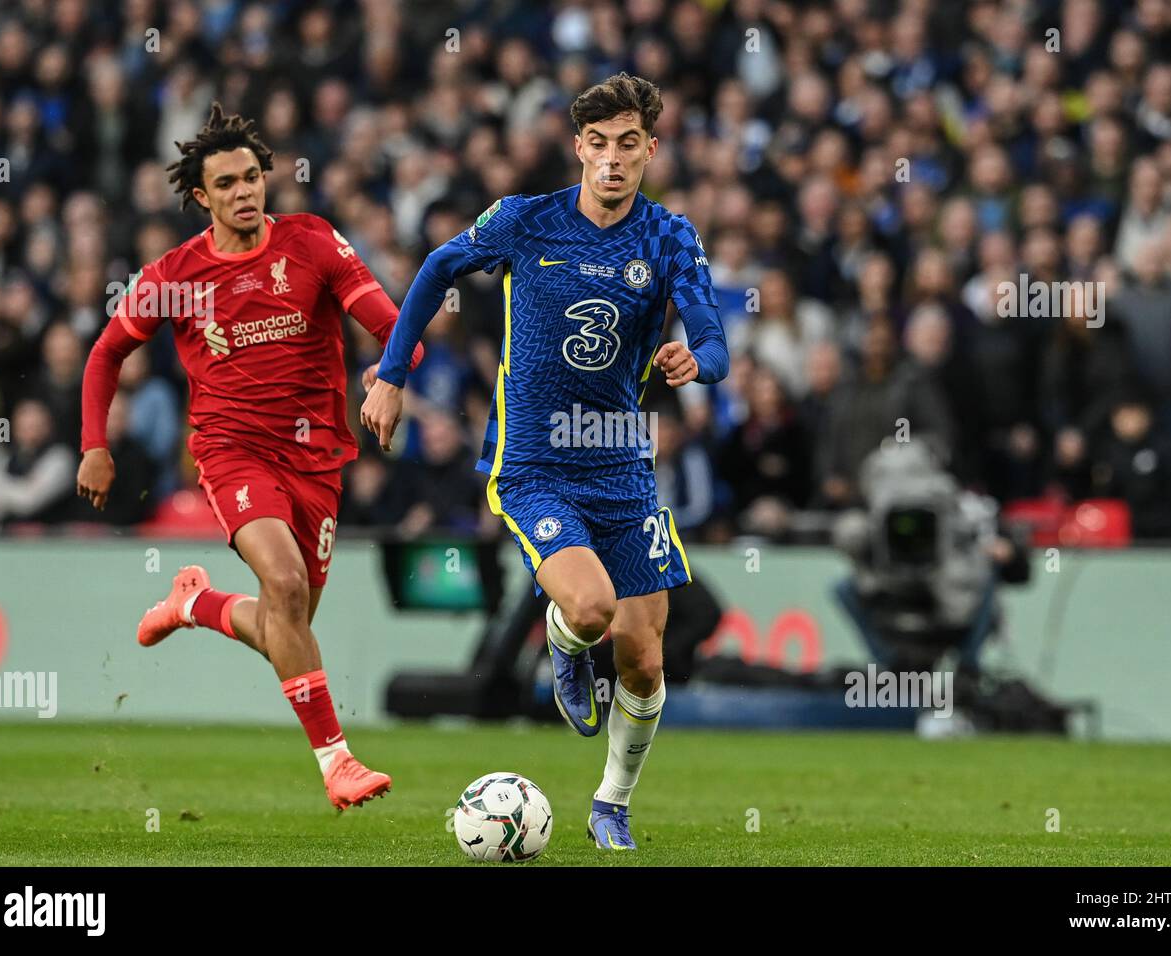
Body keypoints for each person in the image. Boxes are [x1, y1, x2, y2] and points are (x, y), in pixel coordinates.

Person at [361, 73, 728, 850]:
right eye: (598, 144)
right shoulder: (525, 221)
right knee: (591, 610)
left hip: (624, 470)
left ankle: (612, 804)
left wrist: (697, 358)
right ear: (578, 149)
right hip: (533, 463)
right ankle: (564, 645)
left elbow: (715, 334)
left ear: (650, 150)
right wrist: (392, 374)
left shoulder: (668, 236)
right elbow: (435, 268)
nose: (612, 159)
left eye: (629, 144)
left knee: (645, 662)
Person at [74, 104, 422, 811]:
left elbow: (398, 330)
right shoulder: (175, 275)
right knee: (286, 590)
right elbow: (106, 353)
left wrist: (392, 374)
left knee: (283, 626)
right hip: (232, 451)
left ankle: (195, 603)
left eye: (253, 177)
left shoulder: (313, 243)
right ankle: (337, 764)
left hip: (319, 459)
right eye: (227, 183)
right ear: (201, 197)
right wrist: (93, 446)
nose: (244, 192)